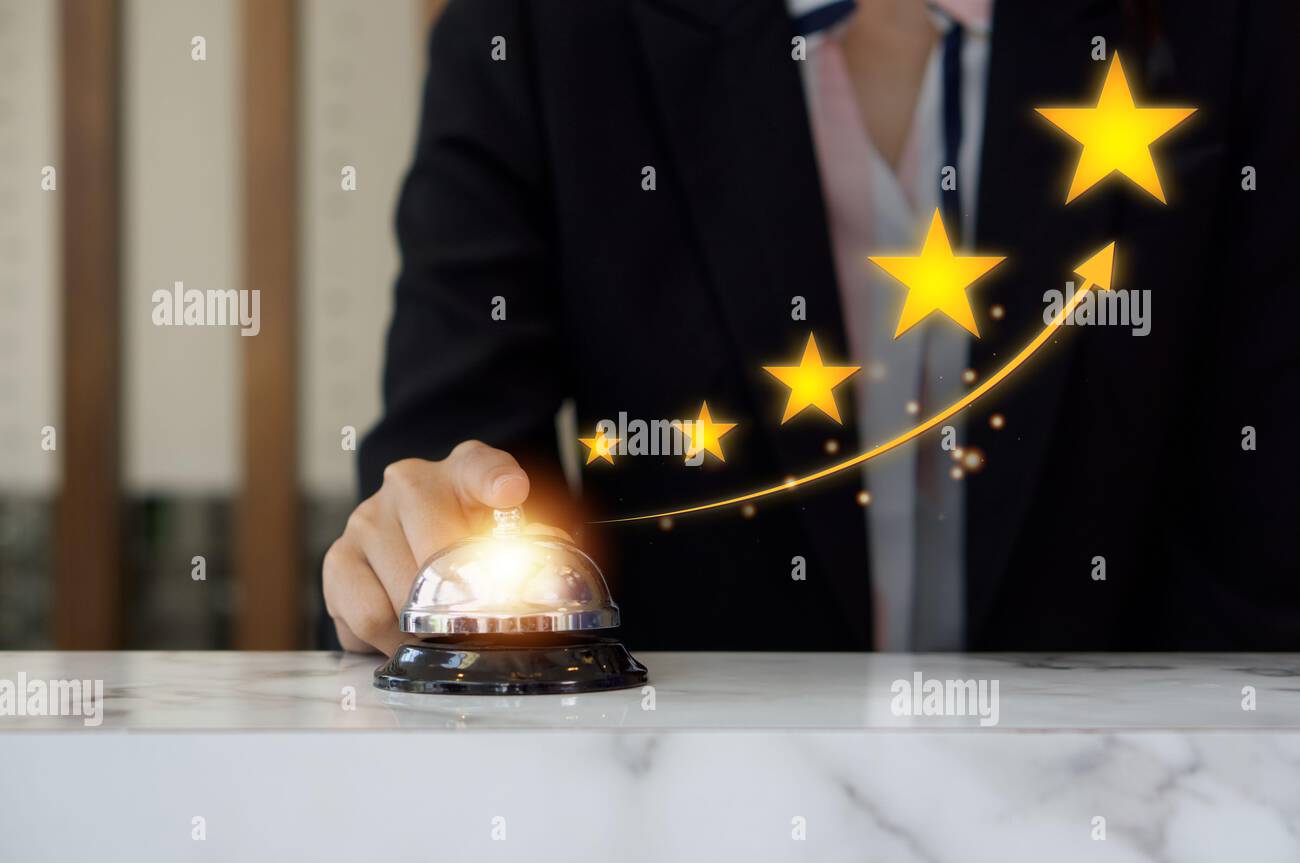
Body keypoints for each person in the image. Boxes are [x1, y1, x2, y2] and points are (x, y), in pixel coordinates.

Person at [322, 0, 1300, 655]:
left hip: (1133, 833)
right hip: (687, 831)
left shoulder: (1236, 27)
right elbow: (460, 468)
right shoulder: (540, 30)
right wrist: (417, 550)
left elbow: (1265, 542)